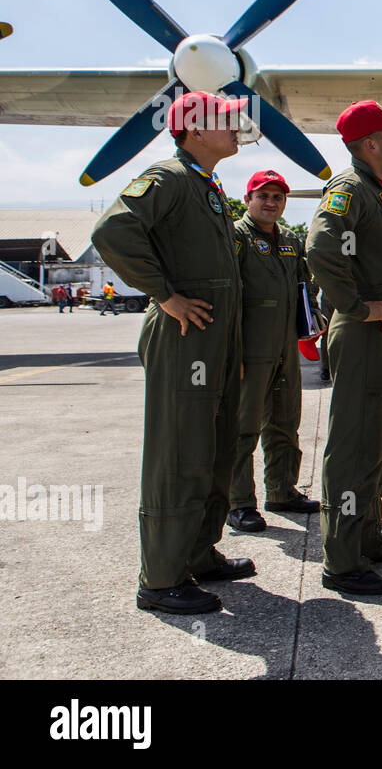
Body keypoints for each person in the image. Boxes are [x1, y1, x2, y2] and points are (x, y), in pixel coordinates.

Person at [91, 90, 255, 614]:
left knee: (214, 448)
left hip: (214, 337)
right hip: (186, 338)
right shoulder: (167, 178)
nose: (236, 129)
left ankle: (197, 553)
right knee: (179, 453)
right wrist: (164, 295)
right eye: (225, 122)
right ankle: (161, 579)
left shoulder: (203, 183)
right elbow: (112, 230)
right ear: (195, 130)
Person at [306, 100, 382, 596]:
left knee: (379, 437)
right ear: (370, 144)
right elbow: (321, 248)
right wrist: (356, 305)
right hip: (366, 331)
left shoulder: (378, 192)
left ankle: (367, 535)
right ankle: (341, 560)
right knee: (353, 443)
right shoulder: (349, 190)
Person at [227, 169, 321, 534]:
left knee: (285, 422)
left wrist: (313, 318)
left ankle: (282, 489)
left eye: (278, 197)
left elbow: (304, 285)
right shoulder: (236, 237)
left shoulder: (290, 241)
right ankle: (238, 502)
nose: (271, 203)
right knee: (243, 427)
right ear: (249, 198)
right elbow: (227, 295)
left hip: (285, 347)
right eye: (263, 196)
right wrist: (230, 350)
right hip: (249, 349)